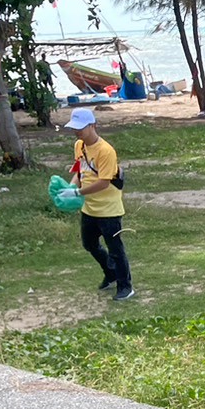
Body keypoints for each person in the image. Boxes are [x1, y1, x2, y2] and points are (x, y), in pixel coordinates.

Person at [66, 107, 133, 300]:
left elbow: (104, 182)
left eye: (81, 127)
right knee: (89, 244)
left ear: (93, 125)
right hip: (89, 207)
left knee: (115, 248)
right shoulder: (79, 145)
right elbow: (79, 169)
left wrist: (77, 192)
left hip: (108, 209)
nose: (77, 131)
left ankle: (125, 286)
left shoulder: (106, 151)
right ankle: (110, 272)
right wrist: (71, 187)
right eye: (74, 127)